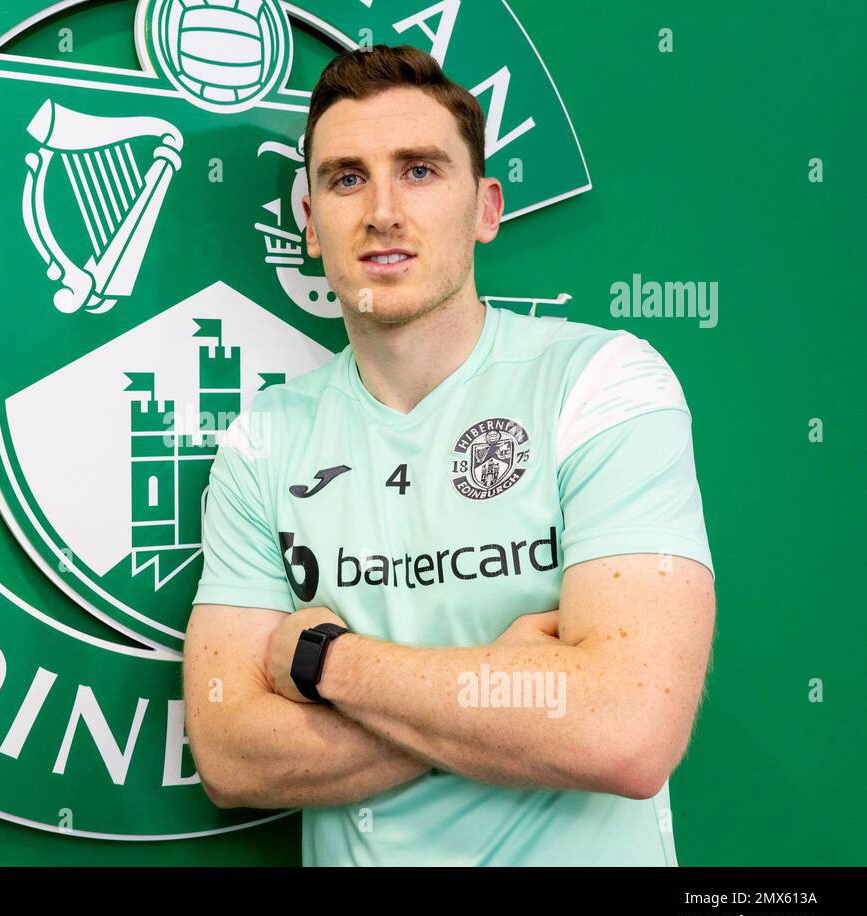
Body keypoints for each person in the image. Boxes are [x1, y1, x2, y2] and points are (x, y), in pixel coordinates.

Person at [184, 44, 716, 866]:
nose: (383, 211)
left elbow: (627, 733)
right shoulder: (265, 438)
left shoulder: (603, 383)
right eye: (346, 177)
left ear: (486, 208)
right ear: (313, 227)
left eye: (421, 171)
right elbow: (229, 754)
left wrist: (330, 665)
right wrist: (509, 693)